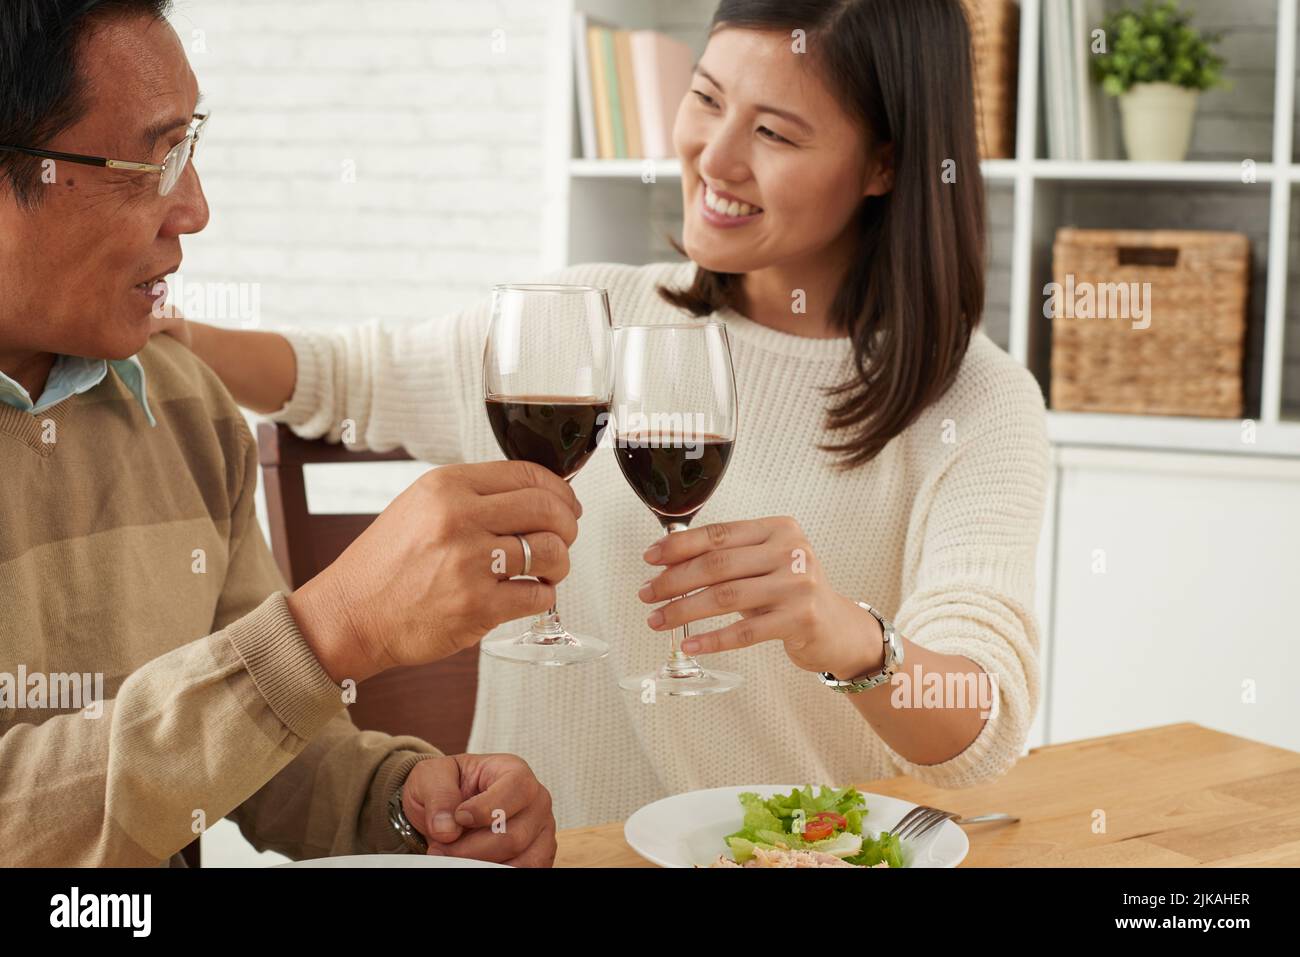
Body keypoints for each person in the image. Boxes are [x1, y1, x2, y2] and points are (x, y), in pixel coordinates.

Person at [162, 0, 1052, 830]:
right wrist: (155, 328)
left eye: (775, 132)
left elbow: (982, 726)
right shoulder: (589, 318)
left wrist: (848, 634)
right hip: (546, 851)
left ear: (886, 164)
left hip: (786, 852)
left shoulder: (973, 397)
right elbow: (349, 374)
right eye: (706, 99)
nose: (716, 157)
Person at [0, 0, 572, 866]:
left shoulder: (184, 403)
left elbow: (252, 754)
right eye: (150, 161)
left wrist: (401, 803)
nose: (193, 208)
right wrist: (324, 632)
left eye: (190, 148)